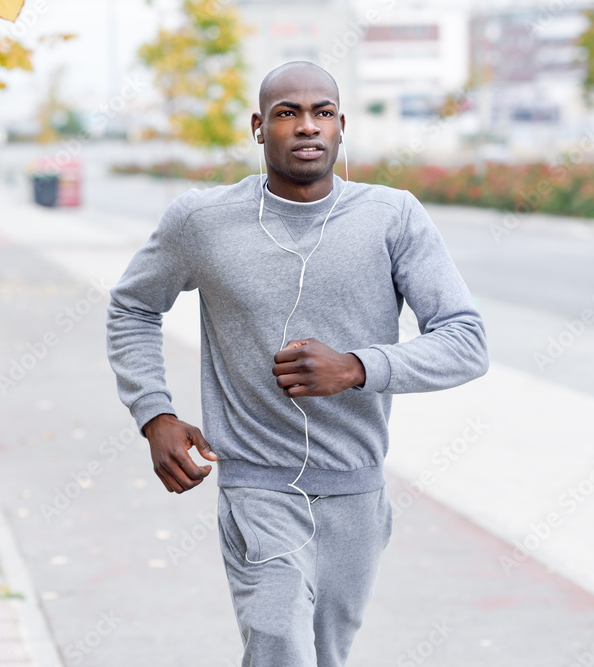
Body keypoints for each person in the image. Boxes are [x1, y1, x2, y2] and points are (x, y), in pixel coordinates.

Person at [105, 61, 489, 666]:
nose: (307, 126)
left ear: (341, 126)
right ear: (260, 127)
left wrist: (358, 367)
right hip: (258, 485)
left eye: (322, 113)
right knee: (281, 641)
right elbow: (132, 306)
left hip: (356, 488)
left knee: (325, 656)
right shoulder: (202, 221)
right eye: (287, 113)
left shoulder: (393, 216)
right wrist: (155, 415)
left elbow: (466, 341)